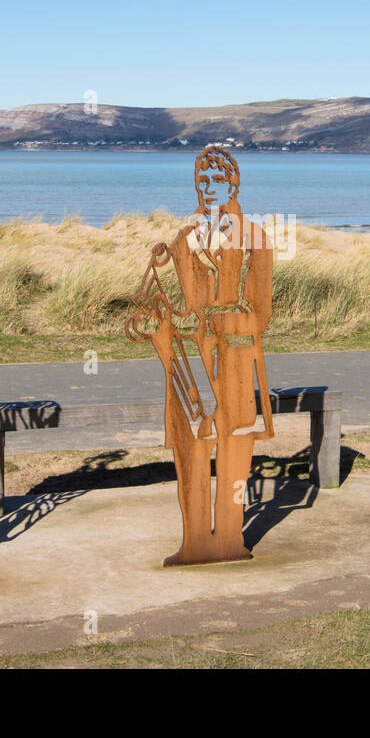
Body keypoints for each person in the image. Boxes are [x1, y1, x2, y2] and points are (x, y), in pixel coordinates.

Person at [127, 146, 275, 565]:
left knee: (233, 449)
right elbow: (186, 304)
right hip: (190, 359)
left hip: (233, 359)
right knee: (190, 447)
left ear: (233, 183)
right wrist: (168, 317)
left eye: (217, 180)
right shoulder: (183, 238)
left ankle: (229, 537)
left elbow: (260, 312)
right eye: (202, 180)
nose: (208, 188)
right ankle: (194, 541)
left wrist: (216, 323)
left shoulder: (254, 238)